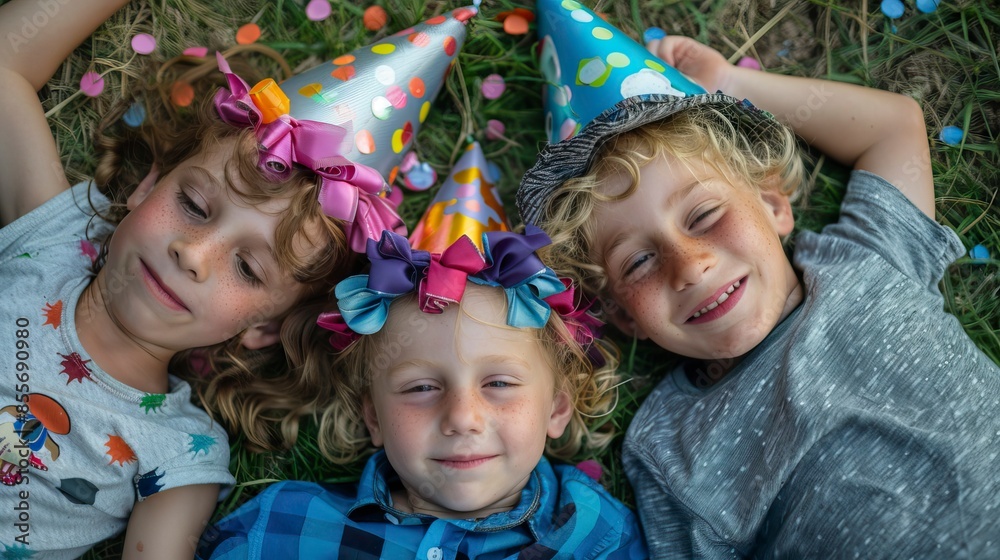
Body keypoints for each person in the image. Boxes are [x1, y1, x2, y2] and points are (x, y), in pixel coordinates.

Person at [516, 35, 1000, 557]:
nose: (690, 264)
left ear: (772, 205)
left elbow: (894, 128)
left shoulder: (865, 258)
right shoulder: (666, 445)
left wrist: (730, 84)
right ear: (620, 314)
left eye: (704, 215)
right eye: (638, 261)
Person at [0, 0, 403, 557]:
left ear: (264, 327)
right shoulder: (55, 239)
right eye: (192, 204)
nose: (193, 254)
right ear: (146, 188)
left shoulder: (180, 453)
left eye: (247, 268)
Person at [198, 228, 648, 559]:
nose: (462, 417)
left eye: (498, 383)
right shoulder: (287, 523)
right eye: (421, 388)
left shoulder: (595, 537)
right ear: (373, 418)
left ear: (557, 409)